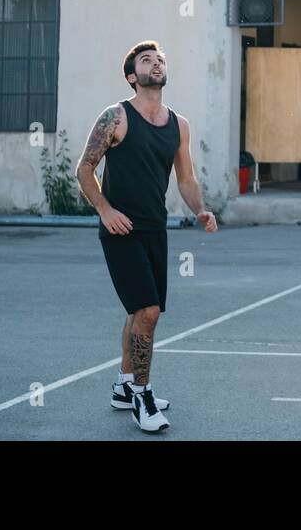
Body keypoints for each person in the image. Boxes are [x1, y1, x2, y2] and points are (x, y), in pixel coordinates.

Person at [76, 40, 218, 434]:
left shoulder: (179, 125)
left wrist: (200, 209)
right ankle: (142, 394)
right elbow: (85, 169)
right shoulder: (116, 117)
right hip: (121, 230)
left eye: (159, 59)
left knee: (139, 312)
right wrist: (105, 210)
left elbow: (185, 178)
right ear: (131, 76)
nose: (155, 64)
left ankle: (123, 386)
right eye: (146, 60)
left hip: (156, 229)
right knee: (149, 312)